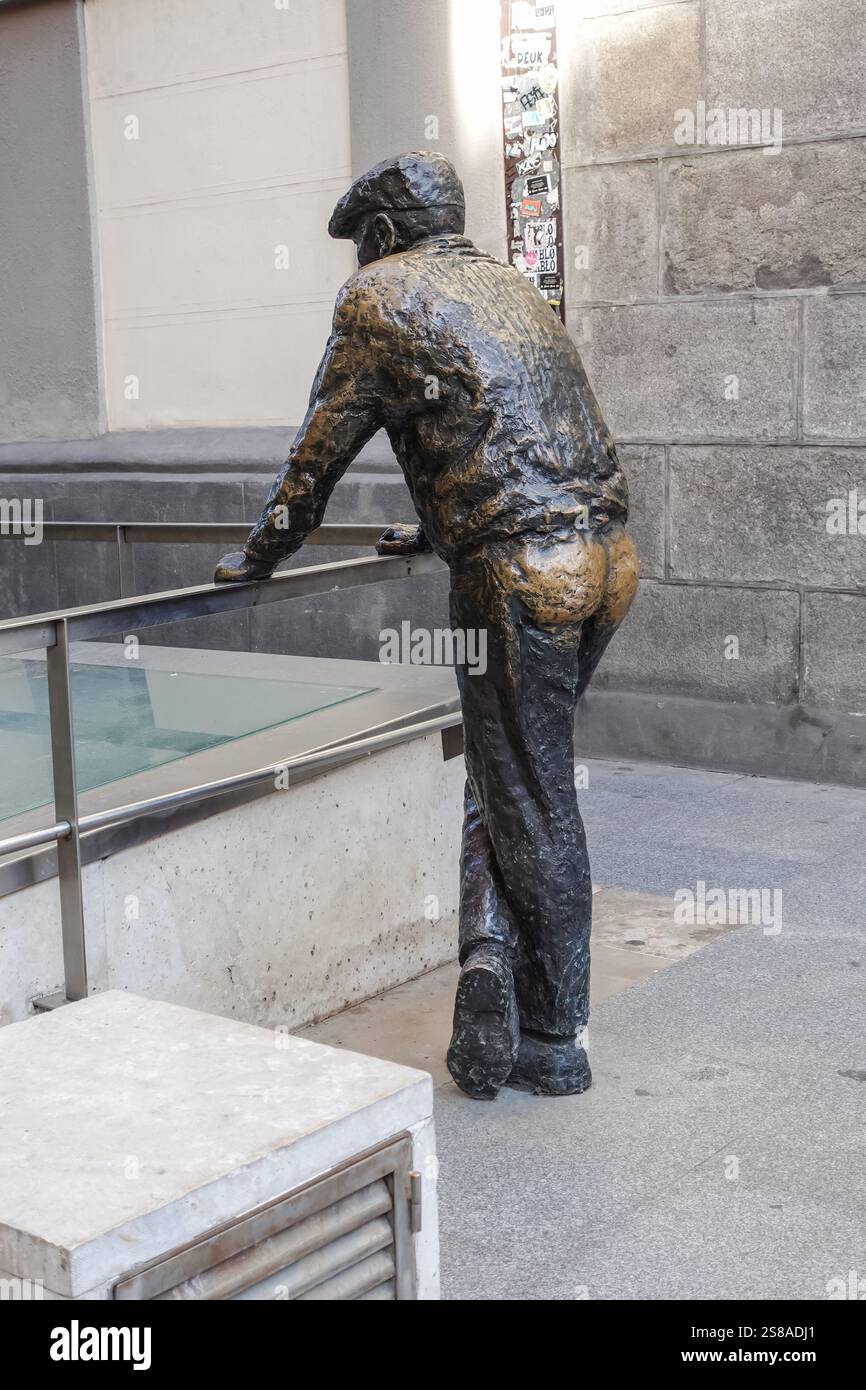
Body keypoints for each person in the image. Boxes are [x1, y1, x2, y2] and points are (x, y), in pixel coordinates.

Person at [215, 152, 639, 1100]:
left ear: (377, 236)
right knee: (509, 768)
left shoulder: (380, 296)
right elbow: (513, 429)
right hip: (606, 556)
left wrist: (260, 555)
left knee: (532, 796)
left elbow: (315, 461)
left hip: (522, 571)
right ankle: (486, 960)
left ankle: (556, 1037)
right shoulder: (504, 283)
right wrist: (443, 523)